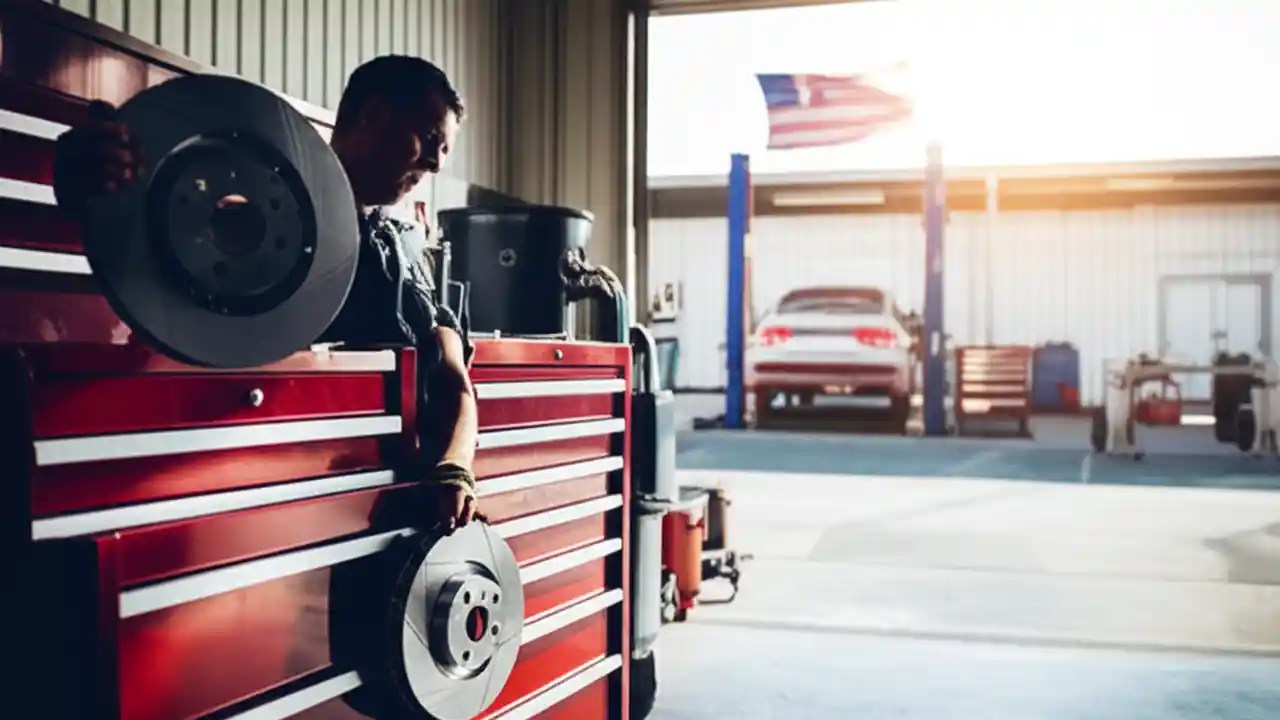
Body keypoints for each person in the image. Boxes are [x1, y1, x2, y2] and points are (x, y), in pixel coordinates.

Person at [52, 55, 481, 532]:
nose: (437, 163)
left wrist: (456, 468)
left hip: (394, 521)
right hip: (284, 514)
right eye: (428, 138)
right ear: (373, 115)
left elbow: (453, 381)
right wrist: (97, 181)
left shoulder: (404, 254)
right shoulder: (262, 228)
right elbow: (165, 232)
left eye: (444, 149)